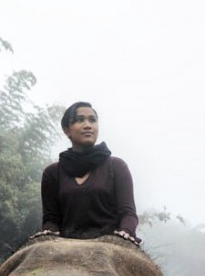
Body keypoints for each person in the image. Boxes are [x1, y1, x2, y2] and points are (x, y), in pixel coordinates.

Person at [39, 102, 140, 243]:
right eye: (80, 120)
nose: (88, 125)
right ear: (66, 130)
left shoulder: (117, 167)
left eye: (92, 120)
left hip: (110, 243)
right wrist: (49, 232)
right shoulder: (52, 173)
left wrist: (125, 233)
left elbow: (128, 214)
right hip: (65, 246)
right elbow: (51, 219)